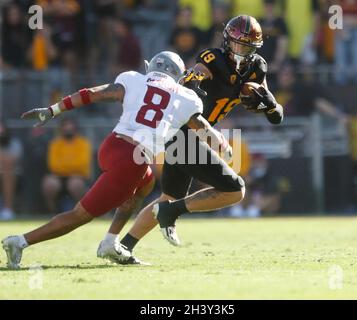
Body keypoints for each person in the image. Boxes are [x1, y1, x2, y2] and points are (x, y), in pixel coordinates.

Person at [2, 51, 242, 269]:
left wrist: (53, 110)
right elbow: (202, 129)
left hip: (113, 146)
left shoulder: (133, 78)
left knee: (146, 182)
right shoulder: (188, 97)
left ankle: (111, 242)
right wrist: (222, 144)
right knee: (79, 216)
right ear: (177, 75)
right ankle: (20, 242)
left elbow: (92, 94)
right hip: (131, 159)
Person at [113, 15, 284, 258]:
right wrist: (194, 82)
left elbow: (276, 117)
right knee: (235, 190)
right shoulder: (213, 58)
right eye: (238, 45)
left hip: (186, 134)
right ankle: (171, 212)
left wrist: (270, 105)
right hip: (185, 130)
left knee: (169, 196)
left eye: (247, 47)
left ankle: (123, 246)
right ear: (227, 41)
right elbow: (196, 73)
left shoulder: (257, 68)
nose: (241, 51)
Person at [42, 118, 92, 213]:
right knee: (49, 184)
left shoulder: (83, 143)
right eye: (65, 127)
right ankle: (53, 212)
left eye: (70, 128)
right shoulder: (55, 144)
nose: (68, 130)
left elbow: (82, 164)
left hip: (79, 176)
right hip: (58, 176)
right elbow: (53, 165)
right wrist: (70, 164)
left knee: (75, 184)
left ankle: (79, 212)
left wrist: (64, 164)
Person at [0, 123, 23, 220]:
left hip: (12, 175)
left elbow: (11, 161)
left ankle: (8, 209)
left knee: (7, 172)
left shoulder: (14, 143)